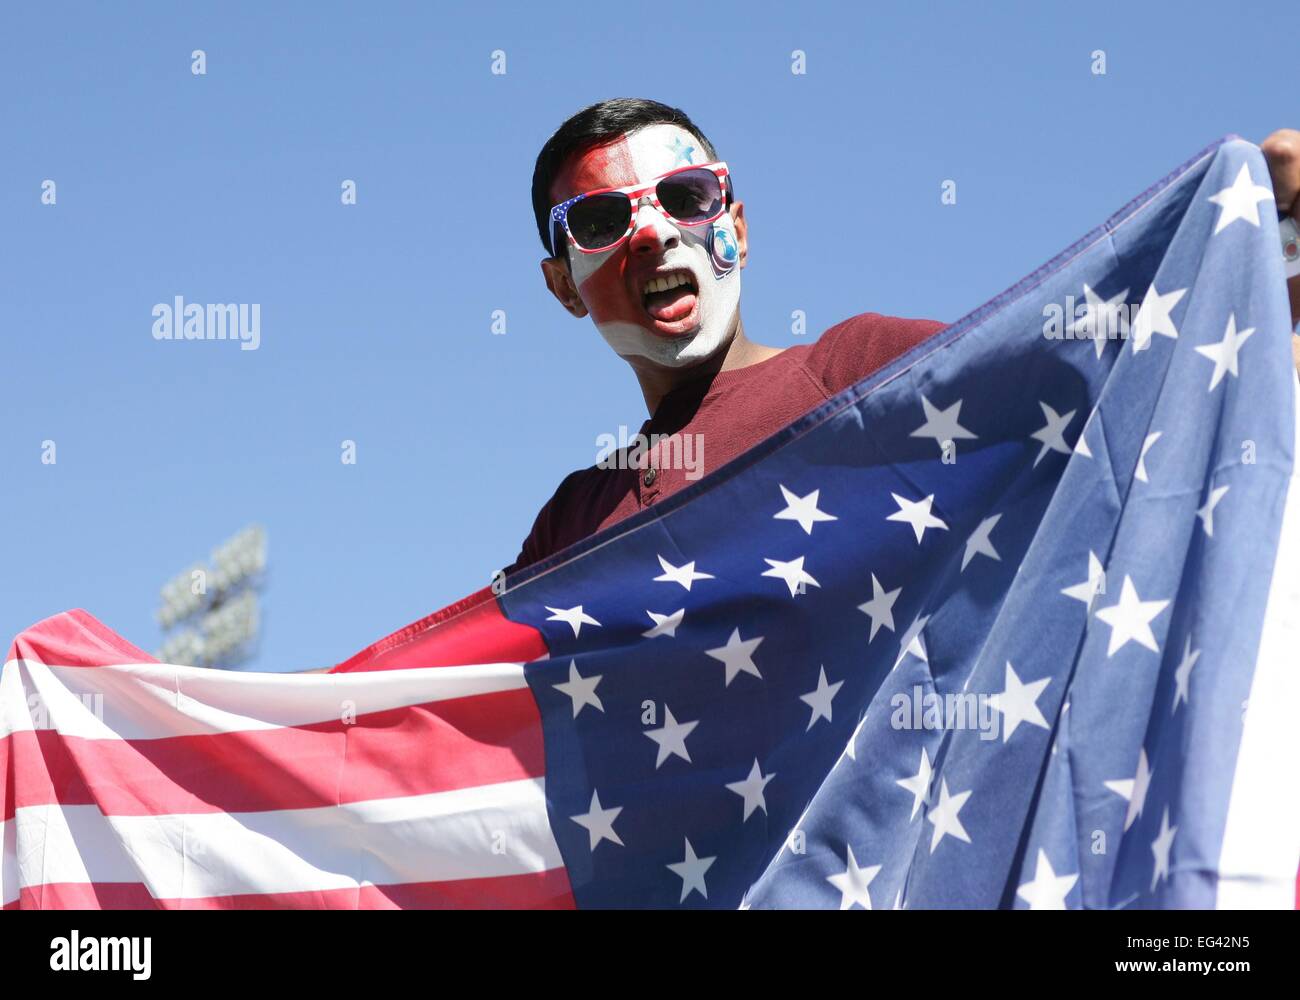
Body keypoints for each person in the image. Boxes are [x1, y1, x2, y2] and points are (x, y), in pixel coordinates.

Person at [505, 98, 1300, 575]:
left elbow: (1138, 391)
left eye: (685, 197)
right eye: (603, 220)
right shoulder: (571, 523)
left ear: (737, 232)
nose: (651, 236)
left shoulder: (862, 369)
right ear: (562, 285)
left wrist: (1256, 265)